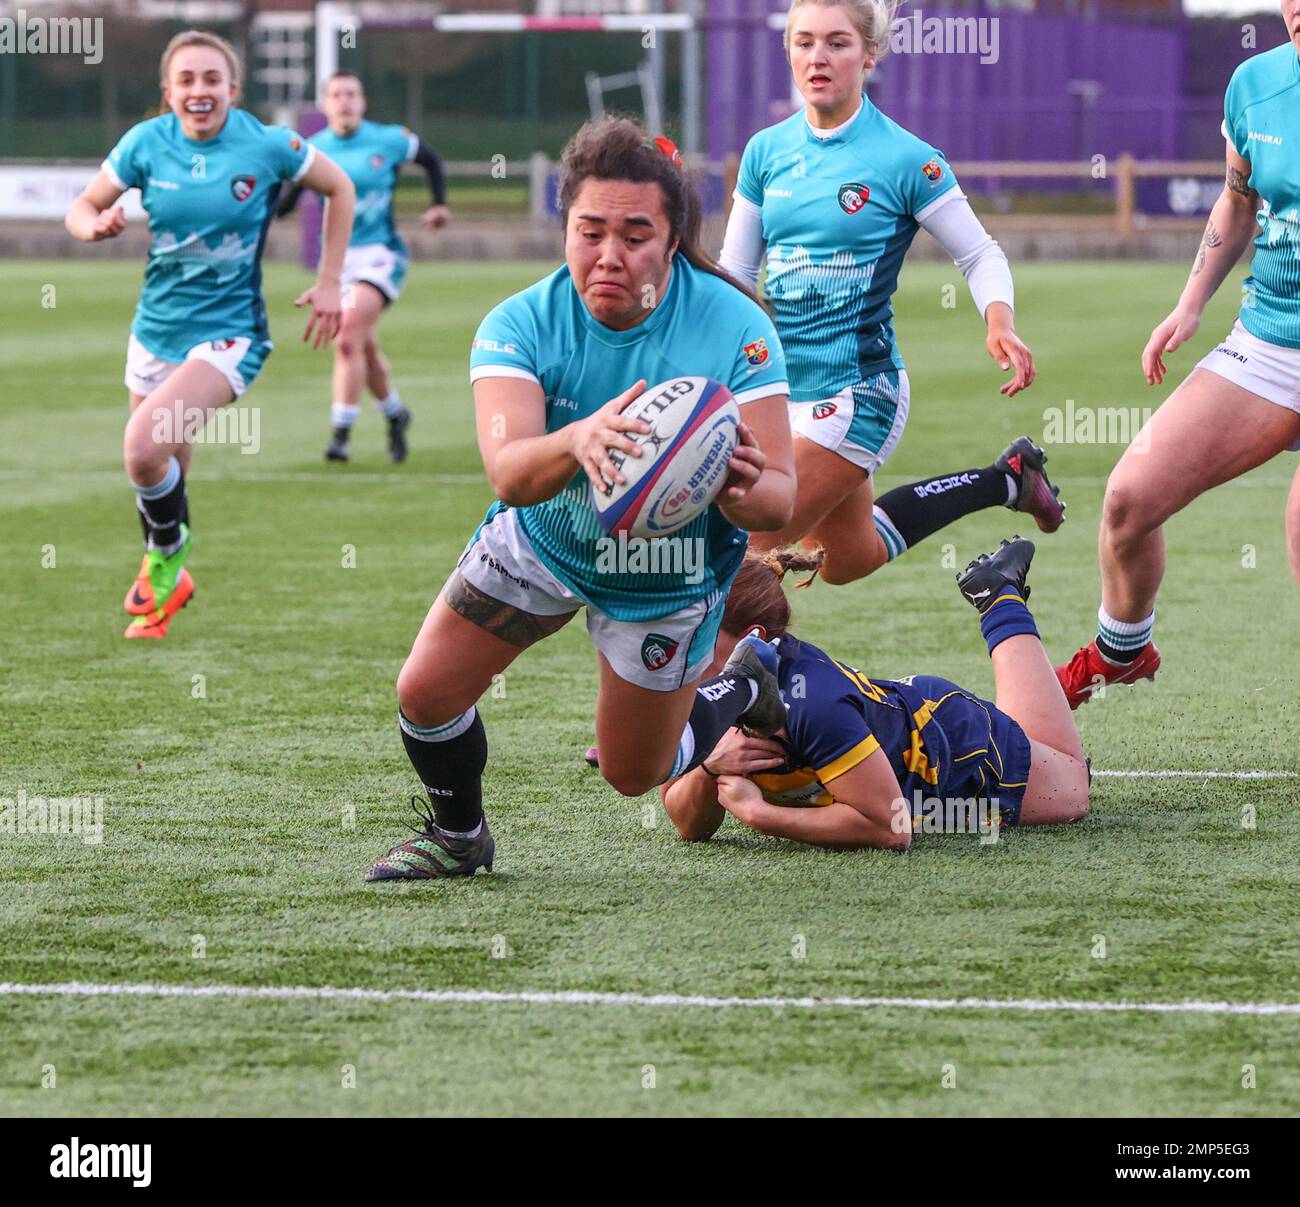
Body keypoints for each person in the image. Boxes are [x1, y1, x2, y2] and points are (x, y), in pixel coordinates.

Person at [364, 117, 797, 881]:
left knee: (634, 774)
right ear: (563, 226)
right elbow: (508, 472)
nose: (609, 255)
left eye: (636, 235)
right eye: (589, 230)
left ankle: (739, 685)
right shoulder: (522, 322)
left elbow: (779, 503)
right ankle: (460, 835)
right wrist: (578, 441)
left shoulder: (737, 326)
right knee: (424, 692)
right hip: (544, 537)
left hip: (667, 574)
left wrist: (739, 489)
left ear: (671, 240)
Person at [718, 0, 1063, 588]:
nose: (817, 57)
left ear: (870, 53)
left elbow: (980, 253)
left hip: (861, 394)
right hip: (781, 393)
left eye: (837, 43)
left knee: (743, 550)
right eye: (804, 43)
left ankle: (748, 683)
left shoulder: (907, 159)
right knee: (849, 561)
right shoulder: (765, 153)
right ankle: (1006, 479)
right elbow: (733, 274)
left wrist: (999, 321)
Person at [66, 30, 354, 638]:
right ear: (169, 92)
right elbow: (82, 206)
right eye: (187, 81)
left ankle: (165, 555)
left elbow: (340, 187)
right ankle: (169, 588)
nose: (200, 91)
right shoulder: (144, 143)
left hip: (229, 333)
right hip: (153, 330)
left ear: (232, 88)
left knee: (143, 449)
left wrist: (331, 281)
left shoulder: (267, 143)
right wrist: (94, 227)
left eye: (211, 80)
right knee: (162, 469)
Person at [1056, 19, 1300, 708]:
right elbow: (1238, 196)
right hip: (1269, 338)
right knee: (1129, 501)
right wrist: (1191, 303)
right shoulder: (1254, 84)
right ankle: (1122, 649)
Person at [661, 538, 1090, 850]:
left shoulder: (812, 705)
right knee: (1045, 748)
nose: (681, 645)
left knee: (1072, 792)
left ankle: (999, 600)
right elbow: (686, 823)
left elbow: (890, 827)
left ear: (752, 639)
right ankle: (997, 594)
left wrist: (763, 816)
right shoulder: (689, 683)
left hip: (953, 746)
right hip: (895, 711)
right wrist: (708, 768)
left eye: (698, 632)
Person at [277, 71, 451, 463]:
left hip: (380, 255)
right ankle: (395, 413)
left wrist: (439, 204)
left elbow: (432, 160)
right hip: (336, 263)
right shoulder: (314, 149)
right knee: (364, 349)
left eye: (351, 94)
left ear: (363, 101)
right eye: (336, 94)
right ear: (324, 105)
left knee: (346, 335)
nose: (344, 101)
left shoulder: (388, 139)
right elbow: (286, 202)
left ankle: (341, 434)